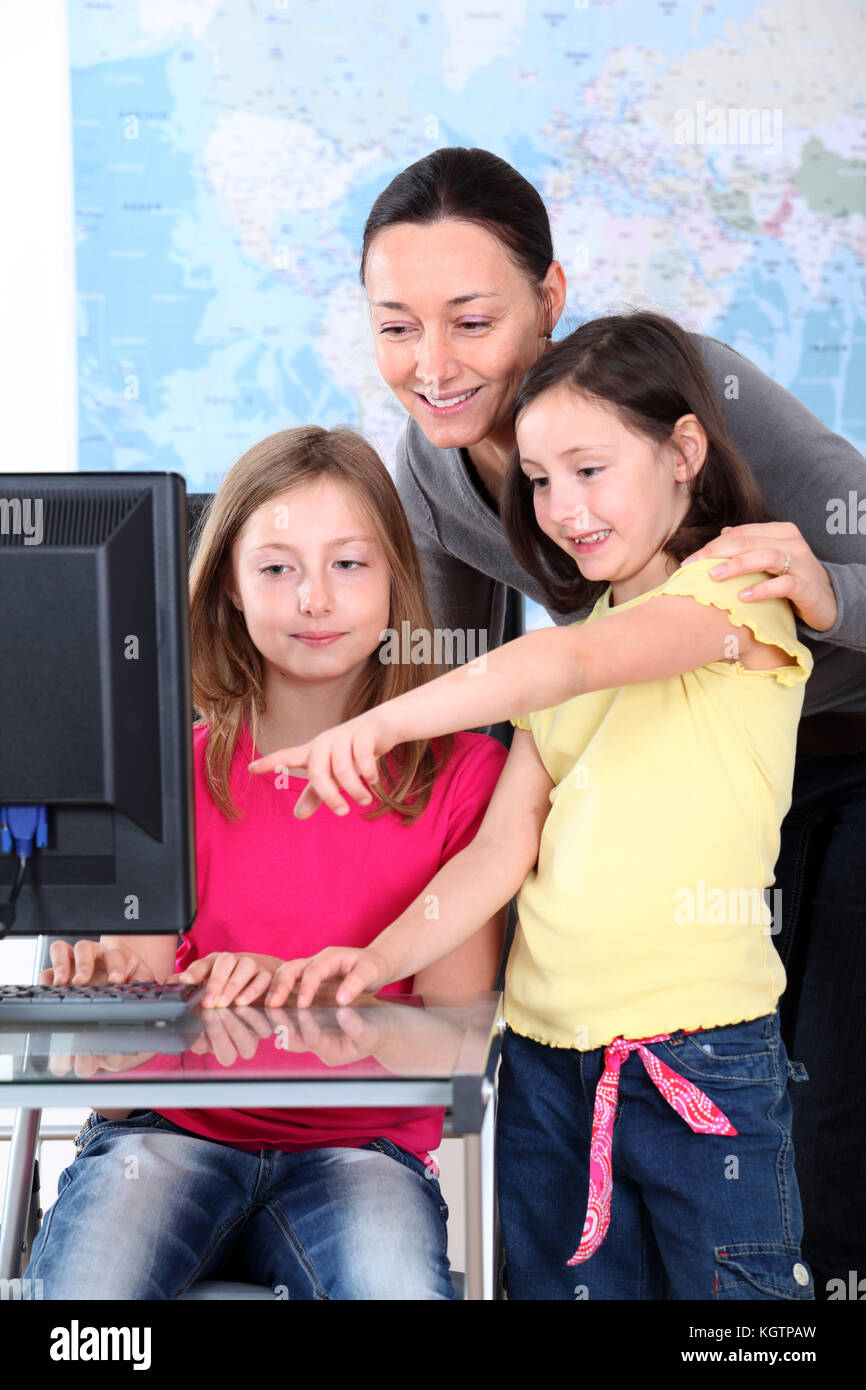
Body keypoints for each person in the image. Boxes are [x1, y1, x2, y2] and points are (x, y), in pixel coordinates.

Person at [357, 147, 866, 1297]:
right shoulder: (438, 473)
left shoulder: (687, 391)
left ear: (547, 299)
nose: (432, 367)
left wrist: (832, 597)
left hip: (838, 743)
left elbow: (562, 655)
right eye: (396, 327)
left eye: (470, 320)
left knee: (823, 1140)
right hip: (693, 791)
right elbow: (464, 697)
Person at [252, 312, 817, 1301]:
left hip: (700, 1065)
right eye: (541, 480)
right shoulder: (591, 624)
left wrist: (381, 727)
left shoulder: (735, 592)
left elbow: (563, 662)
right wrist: (378, 958)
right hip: (548, 1065)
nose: (562, 507)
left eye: (589, 469)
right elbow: (499, 848)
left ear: (683, 451)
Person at [23, 425, 508, 1301]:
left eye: (349, 565)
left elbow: (454, 1039)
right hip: (164, 1143)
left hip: (361, 1152)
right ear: (230, 592)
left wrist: (304, 996)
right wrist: (106, 1025)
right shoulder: (160, 773)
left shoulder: (465, 776)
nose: (314, 599)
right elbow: (121, 1093)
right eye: (277, 568)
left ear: (399, 578)